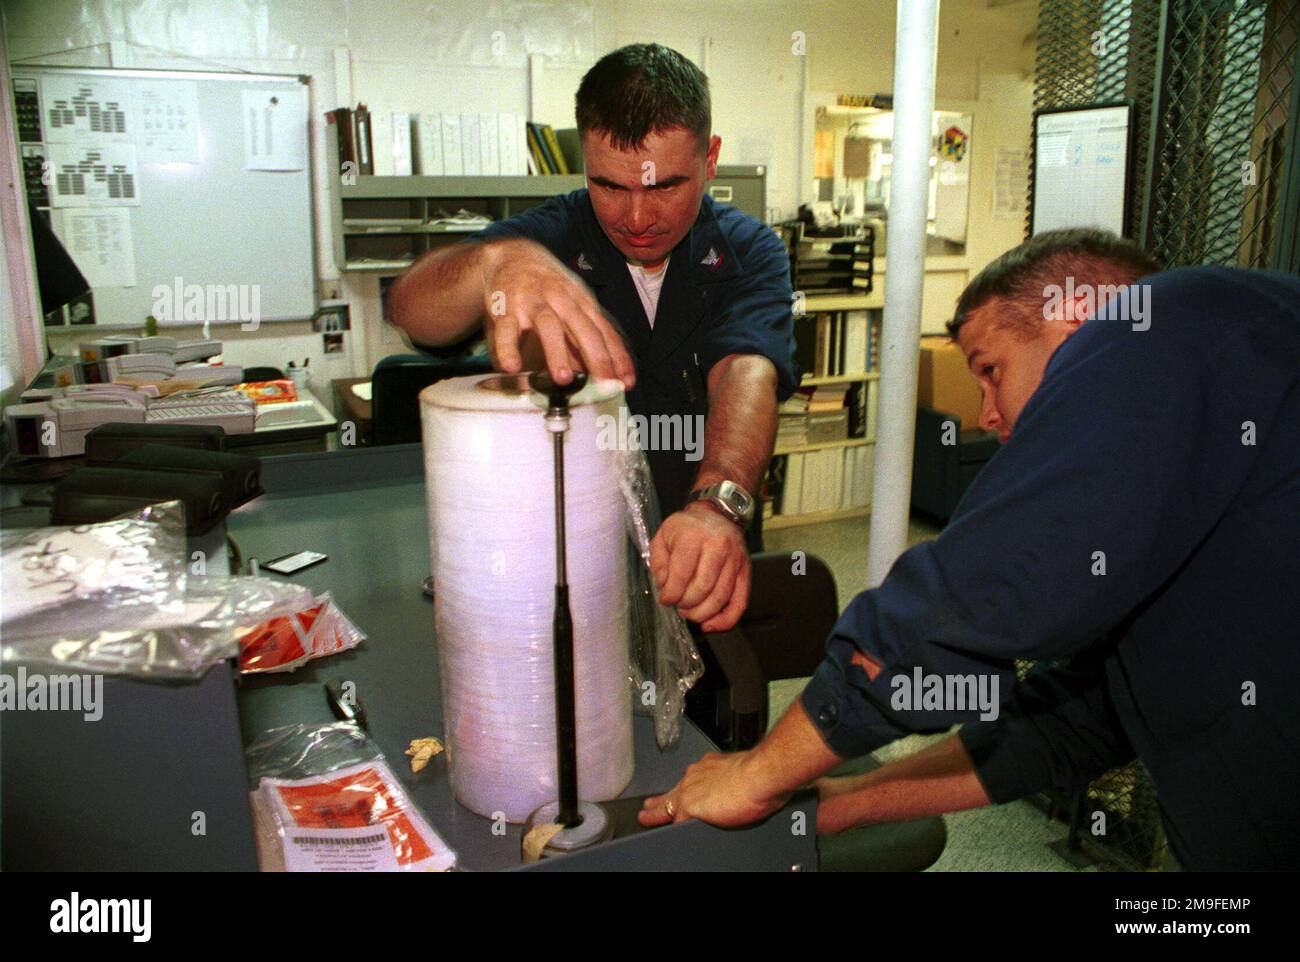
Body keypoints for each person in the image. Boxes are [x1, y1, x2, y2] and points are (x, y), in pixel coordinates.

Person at [638, 228, 1300, 872]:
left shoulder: (1159, 321)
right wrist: (835, 802)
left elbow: (965, 599)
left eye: (991, 370)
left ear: (1081, 314)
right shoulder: (1193, 490)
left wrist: (758, 773)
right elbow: (1064, 726)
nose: (986, 412)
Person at [389, 43, 798, 634]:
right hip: (566, 564)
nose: (636, 218)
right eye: (609, 186)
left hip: (699, 556)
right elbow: (412, 311)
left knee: (711, 714)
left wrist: (717, 505)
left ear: (710, 159)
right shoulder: (549, 236)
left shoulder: (752, 250)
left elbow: (747, 369)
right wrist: (491, 266)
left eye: (663, 188)